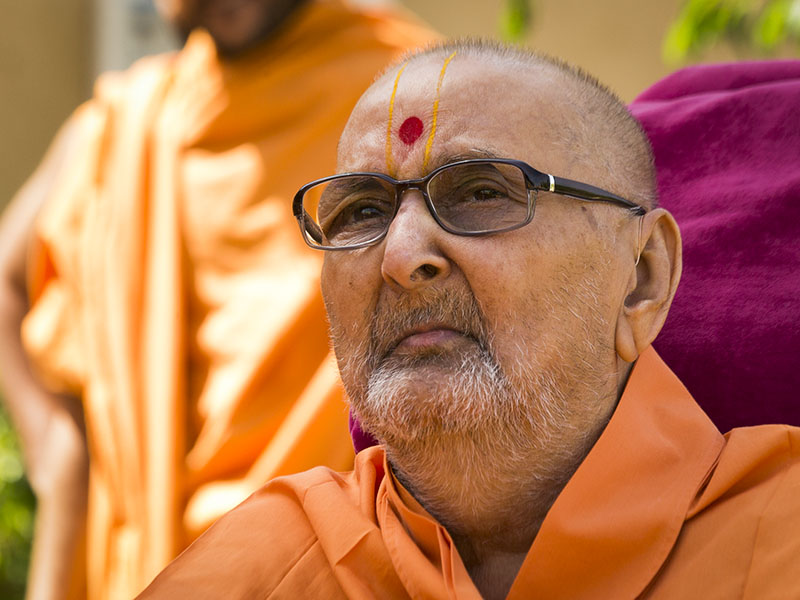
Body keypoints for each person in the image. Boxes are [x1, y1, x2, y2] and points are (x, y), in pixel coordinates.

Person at [138, 40, 800, 599]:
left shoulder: (778, 538)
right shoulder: (269, 563)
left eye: (482, 192)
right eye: (362, 211)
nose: (400, 257)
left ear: (641, 279)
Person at [0, 1, 436, 598]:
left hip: (344, 566)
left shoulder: (414, 92)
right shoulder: (132, 124)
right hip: (156, 566)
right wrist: (57, 452)